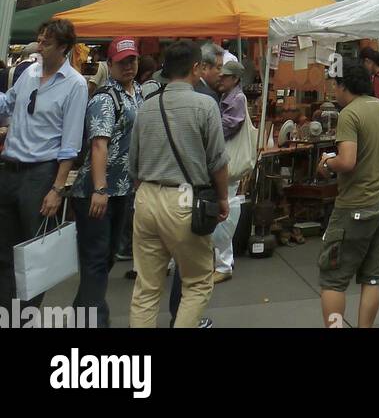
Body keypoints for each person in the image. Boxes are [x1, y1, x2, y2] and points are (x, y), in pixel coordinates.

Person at [129, 39, 229, 330]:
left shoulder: (146, 107)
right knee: (197, 282)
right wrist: (222, 198)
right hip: (185, 198)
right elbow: (218, 162)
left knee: (146, 289)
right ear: (196, 68)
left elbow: (132, 164)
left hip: (146, 196)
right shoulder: (205, 105)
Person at [0, 19, 88, 310]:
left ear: (64, 47)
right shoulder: (28, 73)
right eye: (39, 40)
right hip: (10, 168)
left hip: (41, 174)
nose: (39, 46)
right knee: (4, 251)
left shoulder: (75, 84)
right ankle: (5, 312)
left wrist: (57, 188)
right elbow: (8, 104)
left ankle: (25, 315)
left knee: (34, 253)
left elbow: (71, 142)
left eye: (46, 42)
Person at [315, 61, 379, 329]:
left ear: (343, 86)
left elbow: (347, 161)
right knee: (372, 277)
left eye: (334, 86)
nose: (333, 92)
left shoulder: (349, 115)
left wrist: (327, 163)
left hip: (356, 206)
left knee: (333, 280)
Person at [71, 35, 142, 327]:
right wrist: (99, 189)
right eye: (122, 62)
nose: (128, 66)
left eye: (132, 60)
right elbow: (99, 145)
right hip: (97, 191)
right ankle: (94, 322)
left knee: (108, 257)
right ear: (109, 64)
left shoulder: (137, 93)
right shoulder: (104, 98)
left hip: (123, 188)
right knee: (97, 260)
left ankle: (81, 314)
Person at [212, 57, 248, 282]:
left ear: (235, 78)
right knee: (224, 213)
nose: (220, 78)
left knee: (226, 215)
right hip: (225, 162)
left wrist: (208, 129)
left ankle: (224, 265)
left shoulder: (237, 98)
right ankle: (223, 261)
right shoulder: (228, 96)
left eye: (224, 75)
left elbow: (230, 125)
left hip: (229, 164)